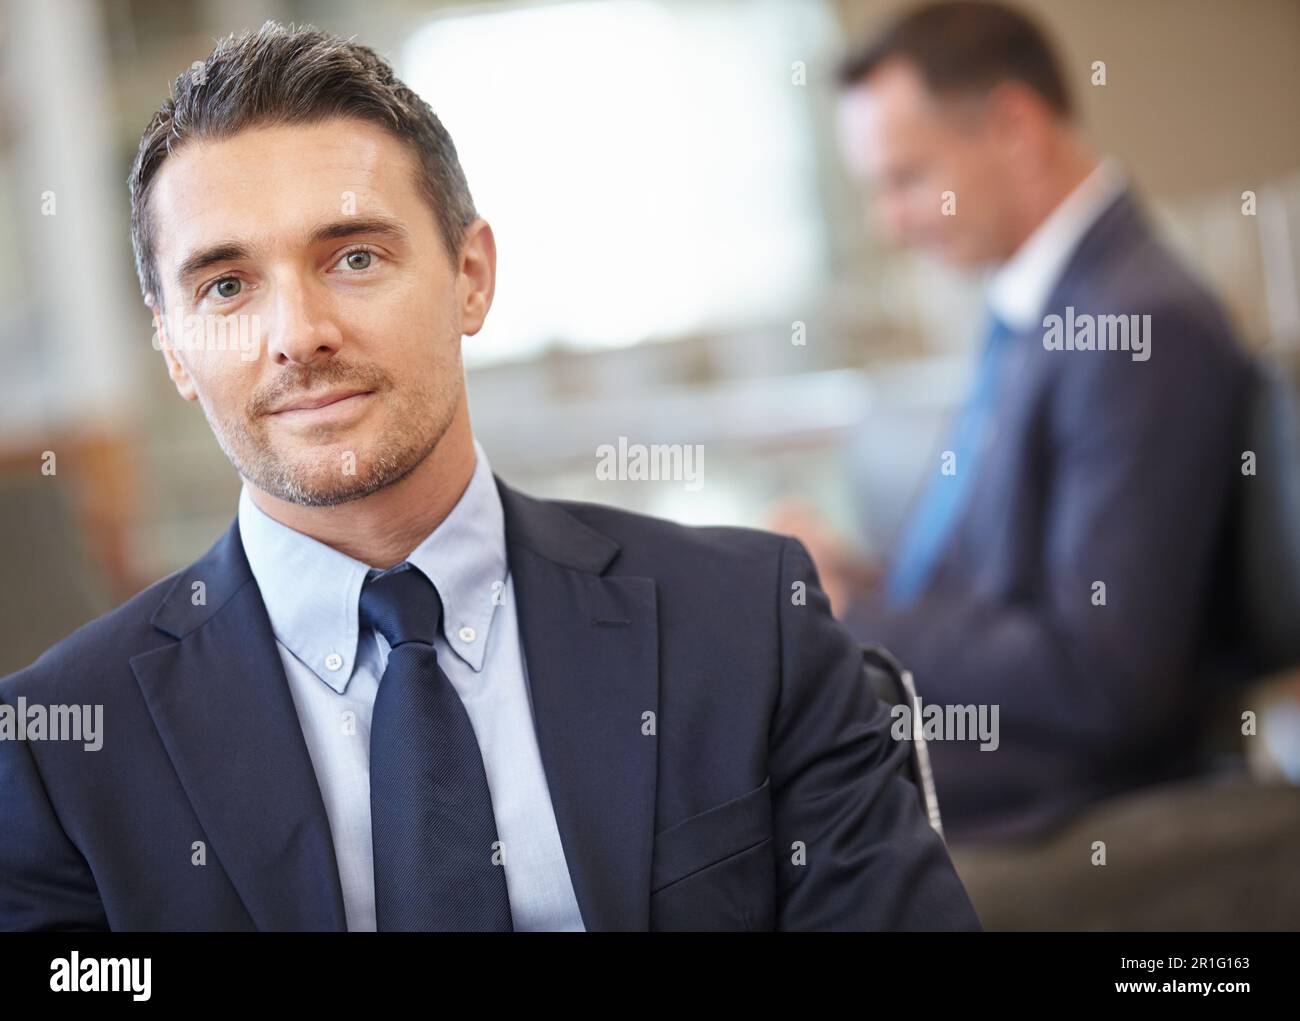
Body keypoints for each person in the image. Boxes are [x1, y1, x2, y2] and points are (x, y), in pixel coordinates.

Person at [0, 22, 979, 932]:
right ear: (172, 345)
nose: (296, 335)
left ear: (471, 277)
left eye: (351, 256)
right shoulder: (52, 750)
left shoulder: (747, 623)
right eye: (225, 285)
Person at [783, 1, 1256, 843]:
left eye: (907, 178)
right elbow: (994, 578)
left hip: (1066, 774)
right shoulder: (1039, 309)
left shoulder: (1136, 325)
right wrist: (848, 577)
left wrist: (852, 611)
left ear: (1015, 127)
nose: (892, 224)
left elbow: (1102, 674)